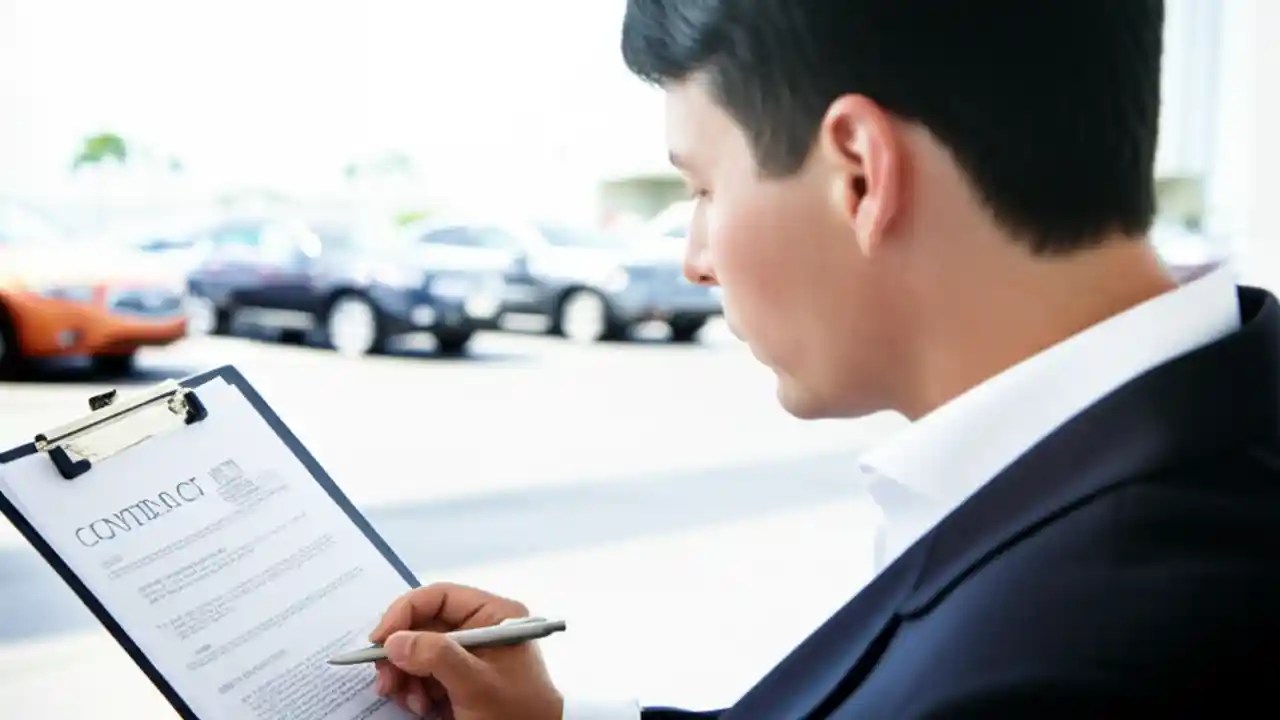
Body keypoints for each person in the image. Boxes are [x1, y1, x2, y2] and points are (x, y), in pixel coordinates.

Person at [367, 1, 1280, 717]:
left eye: (702, 187)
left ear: (859, 171)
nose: (695, 257)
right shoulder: (1196, 458)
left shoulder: (1087, 641)